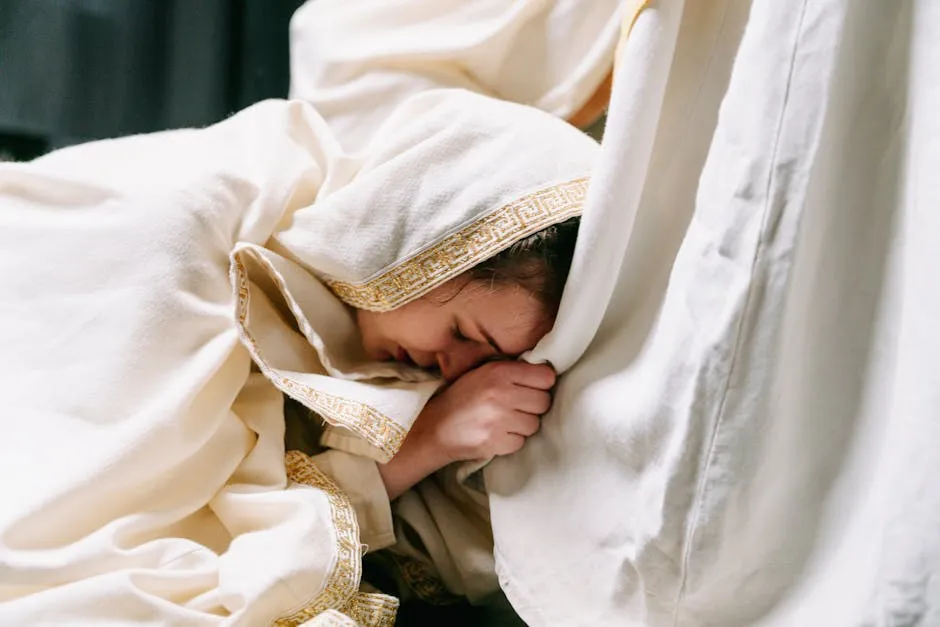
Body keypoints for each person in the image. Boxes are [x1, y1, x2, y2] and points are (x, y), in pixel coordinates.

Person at [0, 88, 598, 625]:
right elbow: (134, 520)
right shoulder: (196, 222)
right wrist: (430, 439)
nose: (451, 365)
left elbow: (248, 496)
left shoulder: (358, 335)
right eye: (465, 332)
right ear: (424, 240)